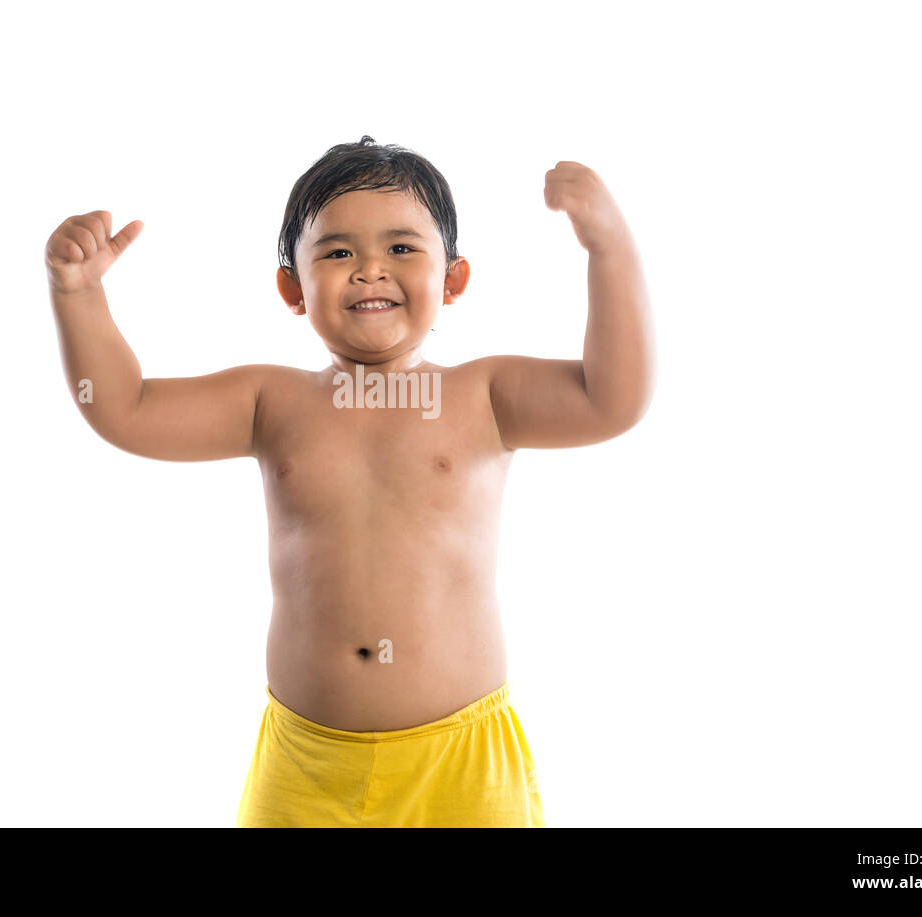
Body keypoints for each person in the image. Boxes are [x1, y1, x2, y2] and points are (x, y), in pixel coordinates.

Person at [44, 135, 656, 826]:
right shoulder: (269, 402)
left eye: (401, 248)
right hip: (307, 766)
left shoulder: (485, 395)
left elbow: (614, 397)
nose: (369, 270)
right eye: (337, 252)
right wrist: (80, 294)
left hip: (459, 767)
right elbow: (125, 410)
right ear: (292, 288)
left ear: (453, 280)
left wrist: (609, 248)